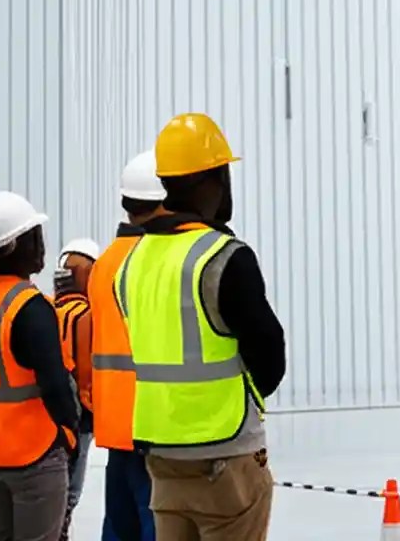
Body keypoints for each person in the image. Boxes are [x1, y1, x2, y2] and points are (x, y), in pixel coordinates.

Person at [114, 114, 286, 540]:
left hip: (163, 456)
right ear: (212, 181)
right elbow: (269, 353)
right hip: (225, 456)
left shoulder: (132, 261)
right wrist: (237, 399)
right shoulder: (224, 257)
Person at [0, 191, 81, 541]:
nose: (42, 245)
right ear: (18, 244)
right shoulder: (31, 307)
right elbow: (54, 384)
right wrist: (71, 433)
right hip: (35, 455)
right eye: (35, 236)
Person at [88, 150, 168, 541]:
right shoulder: (152, 262)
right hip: (151, 423)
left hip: (115, 423)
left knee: (119, 528)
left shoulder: (103, 263)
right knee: (154, 524)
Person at [52, 237, 99, 541]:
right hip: (80, 417)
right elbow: (88, 373)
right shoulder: (86, 316)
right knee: (70, 491)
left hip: (49, 414)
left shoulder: (44, 310)